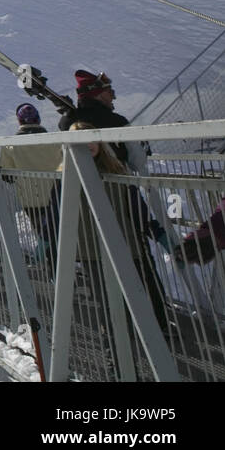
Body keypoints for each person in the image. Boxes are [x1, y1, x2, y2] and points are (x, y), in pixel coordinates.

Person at [55, 123, 170, 336]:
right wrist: (49, 239)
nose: (87, 144)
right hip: (92, 248)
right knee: (106, 298)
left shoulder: (116, 170)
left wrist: (155, 230)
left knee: (143, 287)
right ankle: (115, 343)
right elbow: (57, 210)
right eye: (80, 139)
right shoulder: (65, 176)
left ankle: (158, 328)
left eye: (91, 138)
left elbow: (136, 205)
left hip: (127, 242)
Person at [0, 103, 57, 266]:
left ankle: (52, 268)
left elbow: (6, 173)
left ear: (19, 121)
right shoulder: (56, 141)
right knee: (57, 232)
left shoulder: (10, 145)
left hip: (31, 198)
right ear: (38, 119)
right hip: (56, 195)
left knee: (43, 233)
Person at [58, 70, 143, 170]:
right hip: (114, 182)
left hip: (76, 182)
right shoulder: (117, 121)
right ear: (99, 95)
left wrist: (66, 116)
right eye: (110, 92)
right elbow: (138, 162)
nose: (113, 97)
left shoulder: (67, 121)